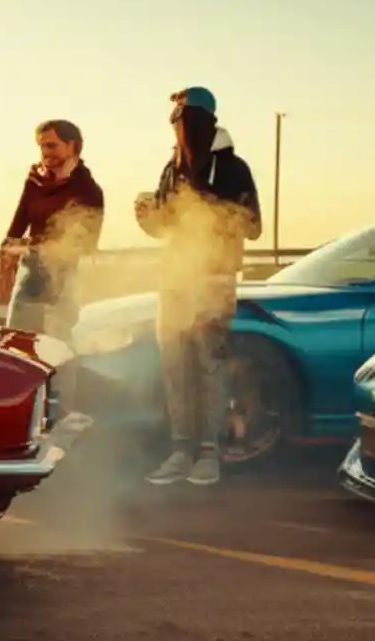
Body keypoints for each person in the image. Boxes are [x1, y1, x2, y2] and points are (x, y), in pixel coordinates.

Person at [136, 86, 262, 486]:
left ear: (207, 122)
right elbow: (163, 228)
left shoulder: (233, 168)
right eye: (177, 121)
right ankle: (179, 450)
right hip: (174, 279)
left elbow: (253, 226)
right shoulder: (171, 168)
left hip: (214, 280)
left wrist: (208, 207)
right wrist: (147, 217)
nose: (182, 130)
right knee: (175, 368)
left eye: (189, 121)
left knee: (210, 367)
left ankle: (210, 452)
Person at [0, 119, 104, 340]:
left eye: (51, 146)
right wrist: (5, 267)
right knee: (18, 340)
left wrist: (34, 246)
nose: (45, 152)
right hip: (30, 273)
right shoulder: (36, 181)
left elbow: (85, 244)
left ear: (71, 146)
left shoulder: (88, 190)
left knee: (58, 346)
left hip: (64, 278)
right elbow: (18, 224)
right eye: (42, 146)